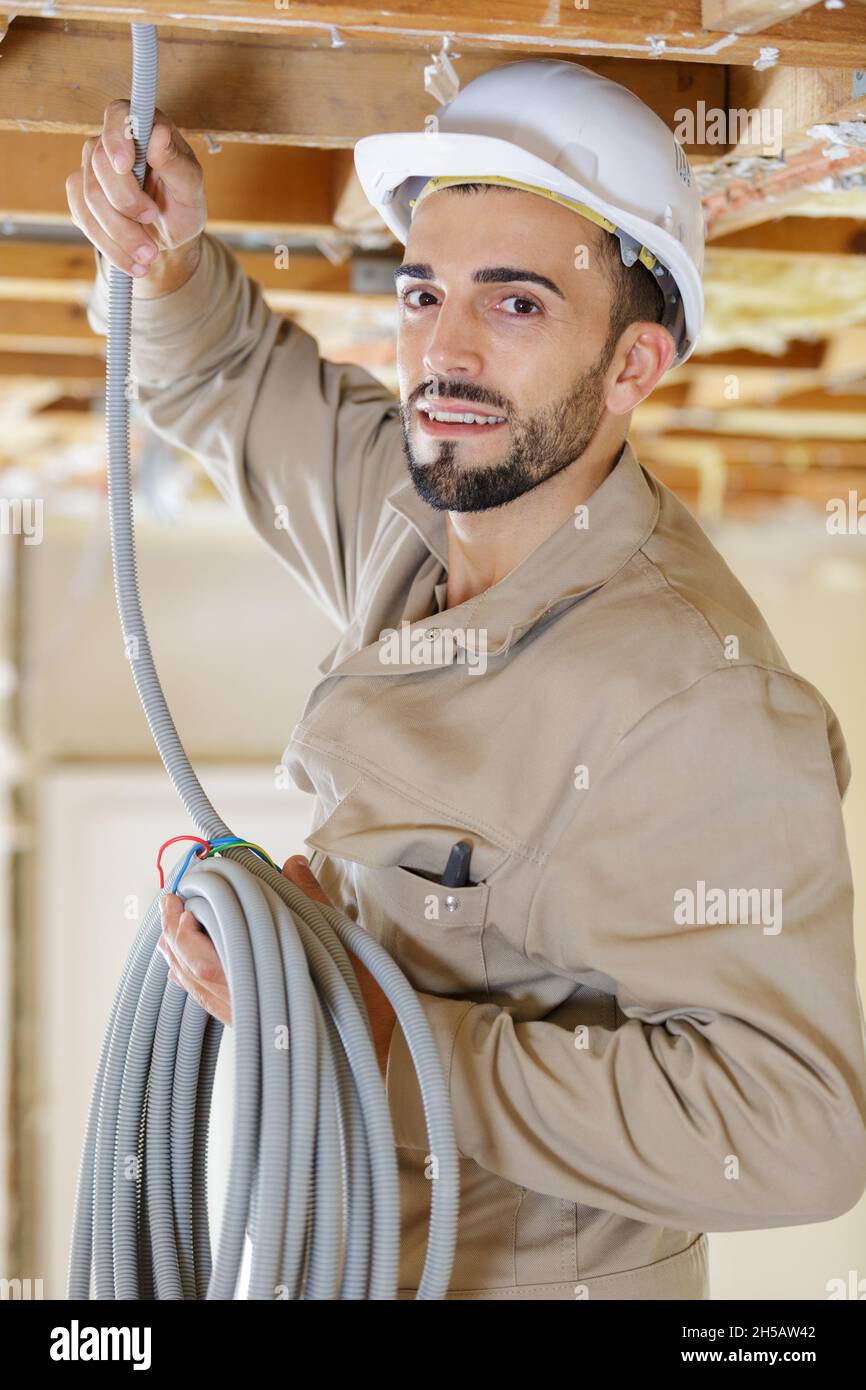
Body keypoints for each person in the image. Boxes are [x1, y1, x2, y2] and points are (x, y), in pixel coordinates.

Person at [68, 59, 866, 1300]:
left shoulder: (691, 697)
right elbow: (231, 376)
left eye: (514, 306)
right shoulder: (427, 506)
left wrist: (378, 1036)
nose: (439, 352)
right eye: (423, 291)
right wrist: (167, 263)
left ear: (632, 366)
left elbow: (792, 1133)